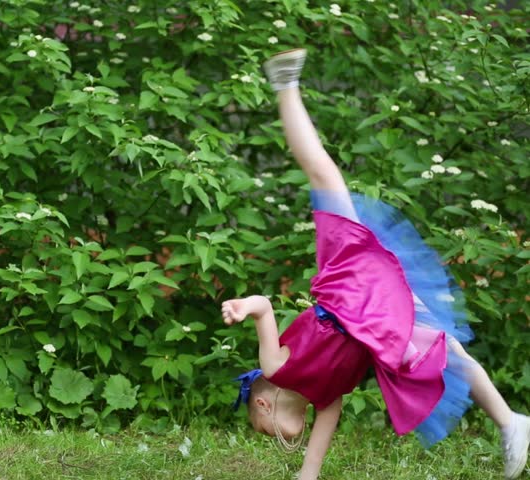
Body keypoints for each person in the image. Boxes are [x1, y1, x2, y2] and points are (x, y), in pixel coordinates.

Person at [222, 48, 530, 480]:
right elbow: (317, 450)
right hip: (376, 319)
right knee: (447, 349)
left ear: (264, 404)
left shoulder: (276, 367)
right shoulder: (325, 398)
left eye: (262, 430)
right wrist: (307, 475)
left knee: (325, 178)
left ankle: (285, 84)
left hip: (350, 291)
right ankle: (511, 422)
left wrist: (242, 305)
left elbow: (265, 308)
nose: (275, 438)